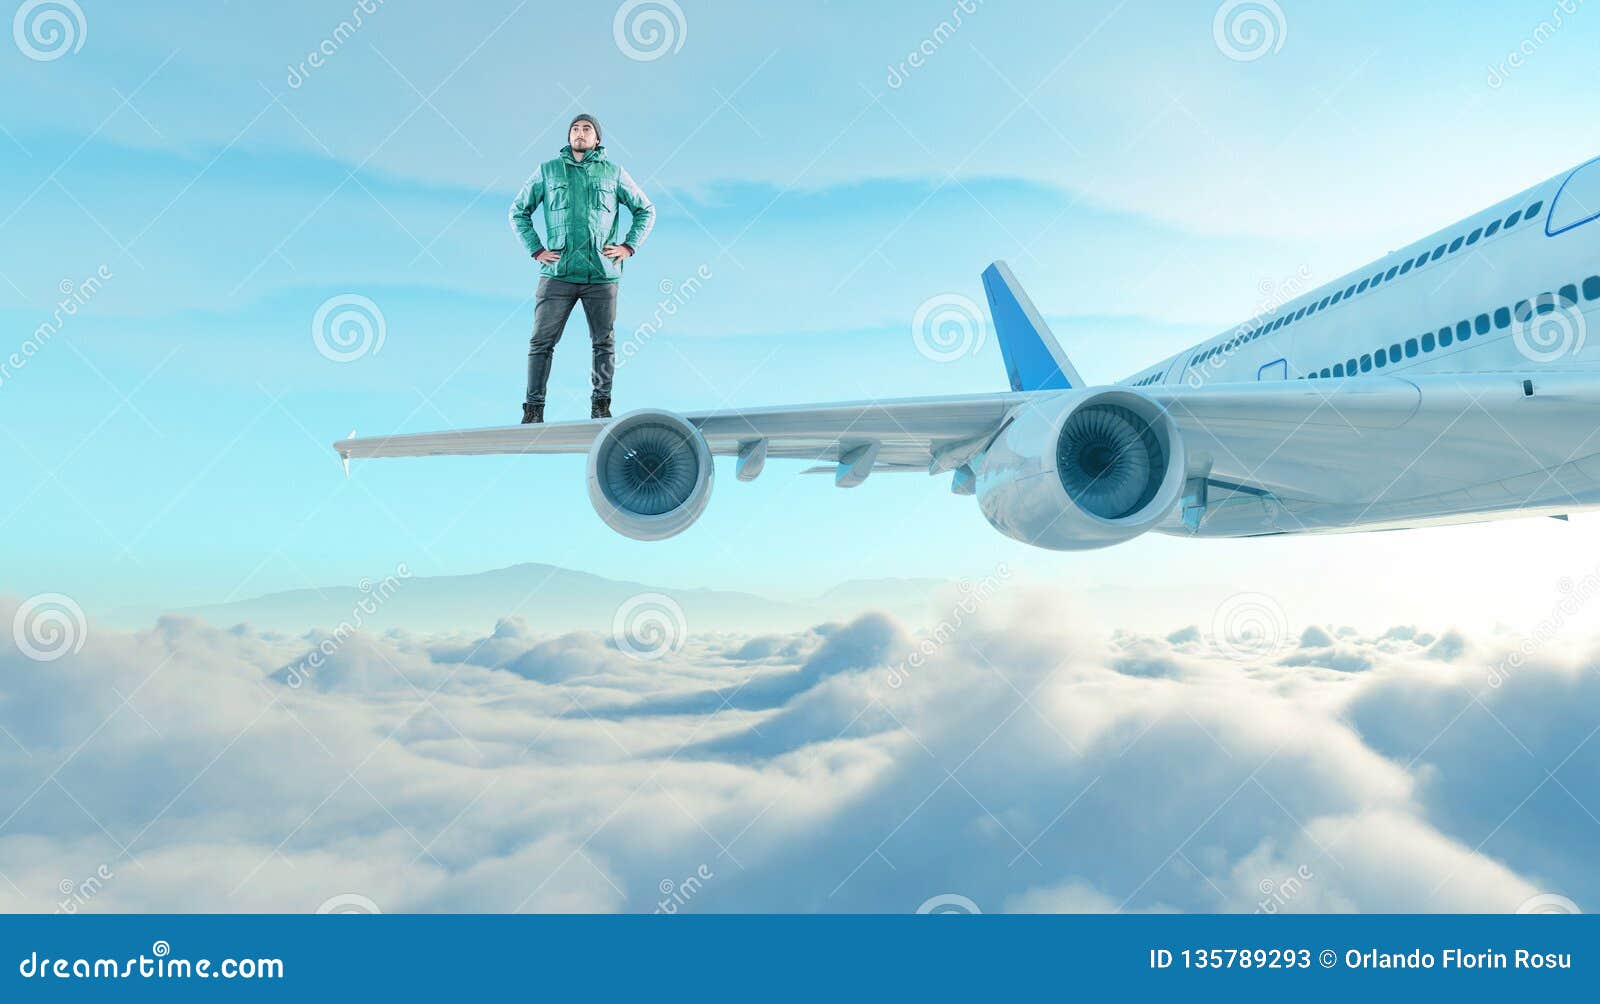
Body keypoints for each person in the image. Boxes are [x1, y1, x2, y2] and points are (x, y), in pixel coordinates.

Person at [509, 114, 655, 423]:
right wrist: (536, 248)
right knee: (540, 342)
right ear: (569, 136)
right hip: (557, 274)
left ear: (597, 139)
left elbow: (645, 209)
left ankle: (600, 406)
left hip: (601, 276)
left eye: (586, 129)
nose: (579, 133)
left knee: (604, 343)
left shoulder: (614, 174)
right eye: (575, 129)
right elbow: (518, 211)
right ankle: (533, 410)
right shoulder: (548, 171)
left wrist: (628, 246)